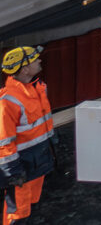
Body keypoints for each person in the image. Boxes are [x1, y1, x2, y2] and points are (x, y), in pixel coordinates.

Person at [0, 46, 52, 225]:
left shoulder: (37, 89)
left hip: (38, 160)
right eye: (34, 59)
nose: (39, 60)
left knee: (31, 205)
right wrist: (13, 171)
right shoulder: (8, 102)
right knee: (18, 214)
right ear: (24, 69)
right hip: (21, 167)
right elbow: (4, 142)